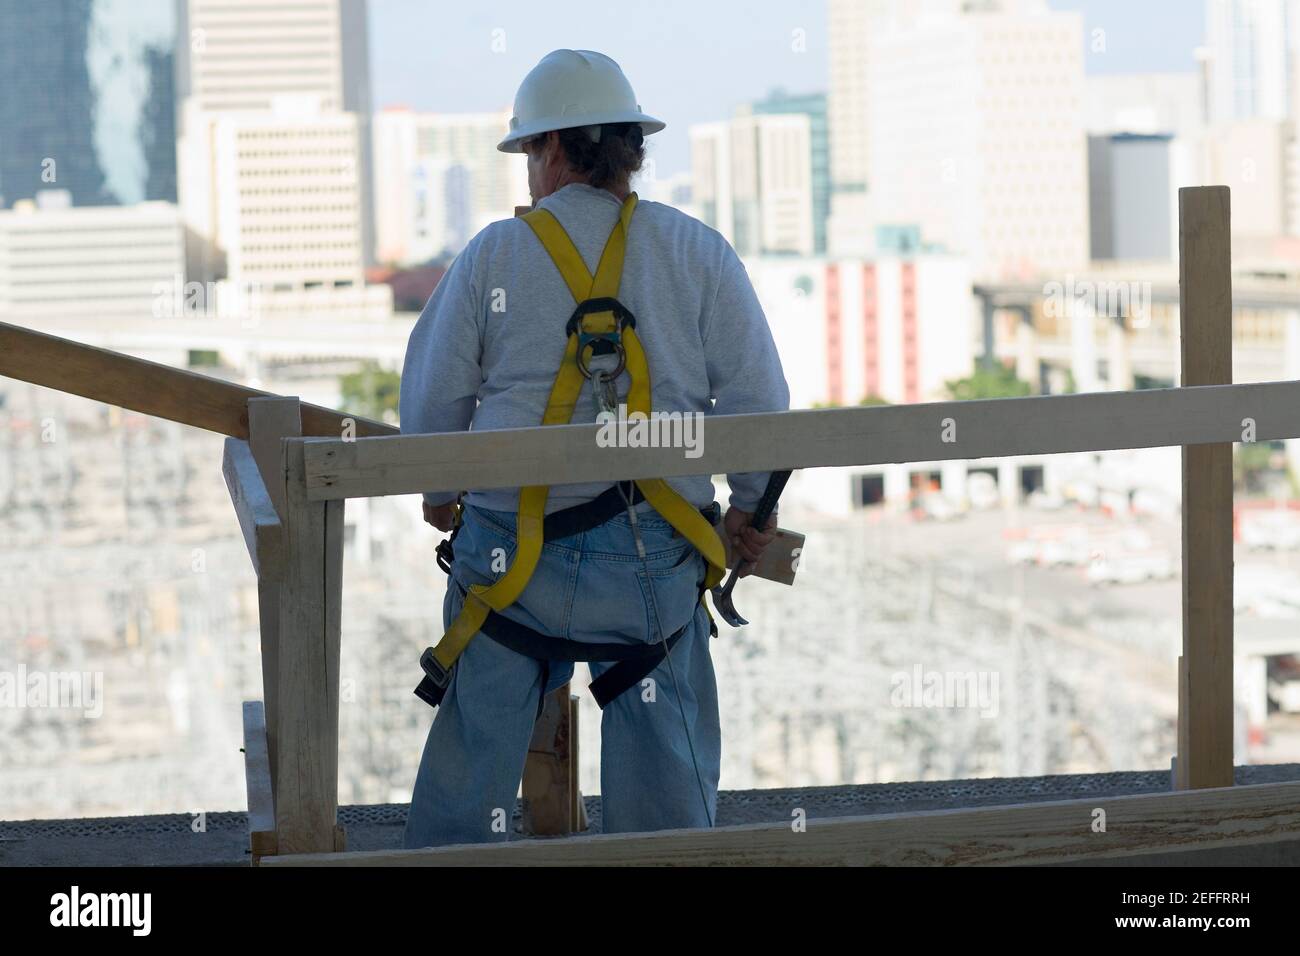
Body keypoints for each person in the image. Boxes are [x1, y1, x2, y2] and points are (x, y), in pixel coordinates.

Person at [399, 49, 790, 848]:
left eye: (528, 156)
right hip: (652, 569)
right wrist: (749, 514)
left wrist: (441, 497)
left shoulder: (492, 257)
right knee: (667, 782)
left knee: (472, 760)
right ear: (629, 150)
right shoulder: (696, 251)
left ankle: (449, 856)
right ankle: (669, 855)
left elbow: (432, 406)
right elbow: (761, 405)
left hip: (511, 579)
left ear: (548, 150)